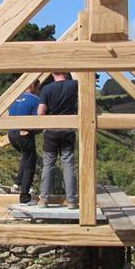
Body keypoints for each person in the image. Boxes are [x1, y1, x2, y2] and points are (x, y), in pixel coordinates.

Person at [36, 72, 78, 209]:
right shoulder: (74, 85)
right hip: (68, 130)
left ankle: (44, 200)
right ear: (66, 72)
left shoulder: (46, 89)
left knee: (48, 165)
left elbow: (41, 112)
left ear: (53, 73)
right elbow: (81, 84)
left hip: (51, 132)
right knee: (68, 164)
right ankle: (71, 201)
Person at [6, 80, 40, 204]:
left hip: (12, 134)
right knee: (30, 164)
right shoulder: (35, 100)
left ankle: (17, 183)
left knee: (26, 157)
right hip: (24, 134)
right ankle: (24, 197)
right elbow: (38, 119)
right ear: (33, 86)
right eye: (38, 86)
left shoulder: (15, 98)